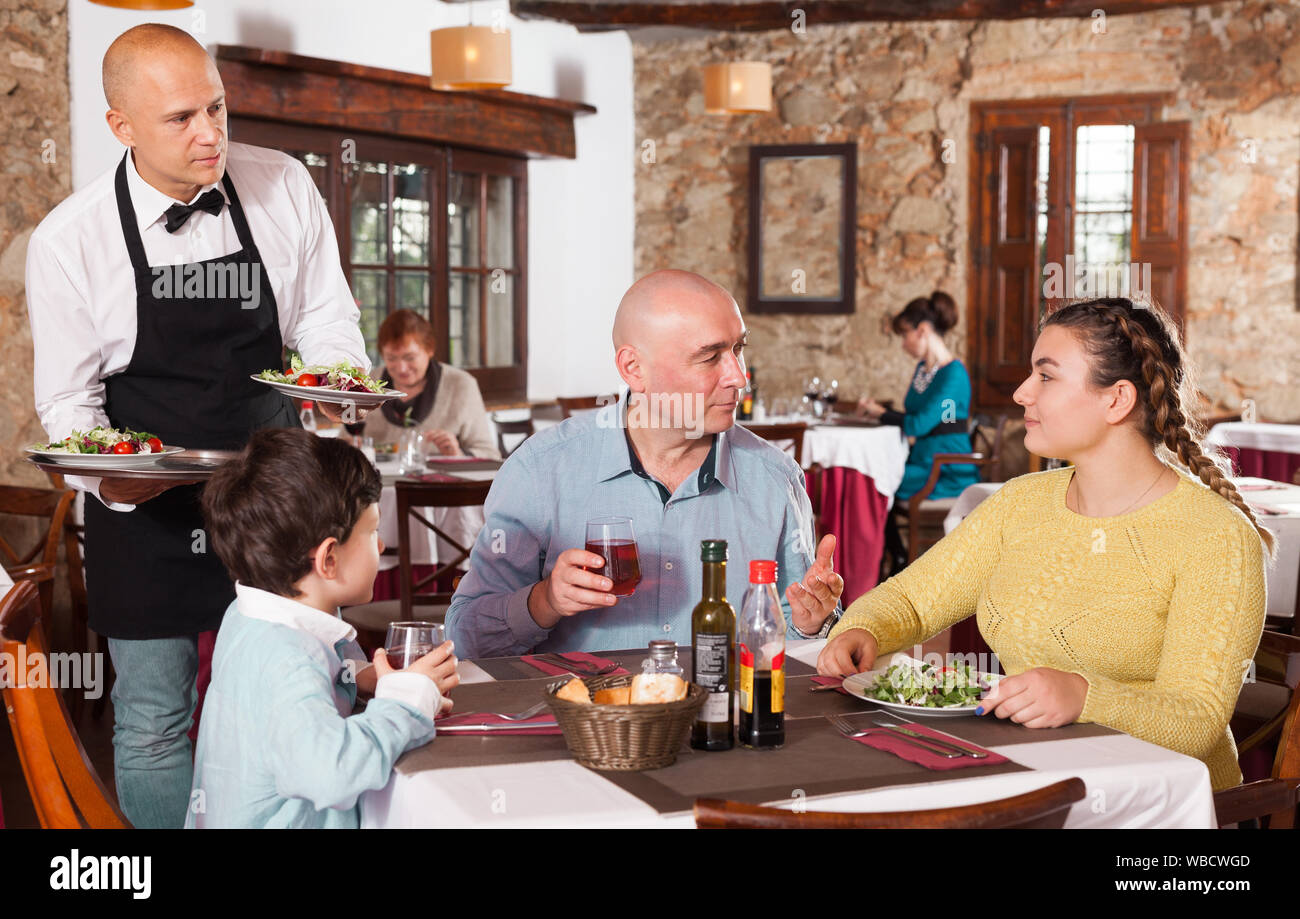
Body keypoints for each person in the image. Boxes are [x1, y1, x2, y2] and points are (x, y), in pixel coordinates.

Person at [24, 25, 369, 827]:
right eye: (182, 118)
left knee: (308, 693)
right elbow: (72, 413)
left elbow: (327, 324)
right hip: (146, 514)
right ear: (122, 127)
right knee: (152, 723)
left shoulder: (283, 184)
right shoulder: (70, 241)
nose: (211, 132)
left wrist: (332, 388)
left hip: (277, 500)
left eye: (217, 106)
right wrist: (112, 473)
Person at [822, 297, 1270, 791]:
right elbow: (911, 599)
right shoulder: (1018, 505)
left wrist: (1084, 698)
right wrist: (861, 629)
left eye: (1046, 376)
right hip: (1033, 780)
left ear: (1116, 399)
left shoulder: (1216, 537)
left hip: (1160, 807)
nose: (1020, 394)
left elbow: (1195, 720)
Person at [446, 270, 844, 658]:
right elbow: (465, 639)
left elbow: (799, 641)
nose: (739, 377)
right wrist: (545, 601)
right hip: (586, 720)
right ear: (633, 368)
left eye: (738, 349)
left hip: (725, 717)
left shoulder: (776, 477)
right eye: (709, 357)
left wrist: (811, 624)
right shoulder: (540, 471)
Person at [188, 429, 458, 828]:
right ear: (328, 559)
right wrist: (407, 700)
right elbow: (329, 772)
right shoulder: (287, 658)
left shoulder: (251, 614)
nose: (380, 547)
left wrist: (358, 676)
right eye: (371, 532)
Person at [858, 291, 979, 573]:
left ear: (922, 330)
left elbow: (918, 424)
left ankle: (895, 560)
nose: (903, 343)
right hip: (921, 459)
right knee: (875, 481)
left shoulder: (954, 373)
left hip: (945, 465)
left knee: (875, 484)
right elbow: (915, 418)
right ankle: (894, 556)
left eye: (905, 335)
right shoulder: (923, 370)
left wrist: (880, 412)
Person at [344, 309, 500, 459]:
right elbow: (345, 440)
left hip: (439, 483)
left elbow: (489, 455)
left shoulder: (461, 385)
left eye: (410, 357)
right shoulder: (366, 384)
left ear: (430, 350)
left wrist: (458, 455)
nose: (402, 368)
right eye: (391, 358)